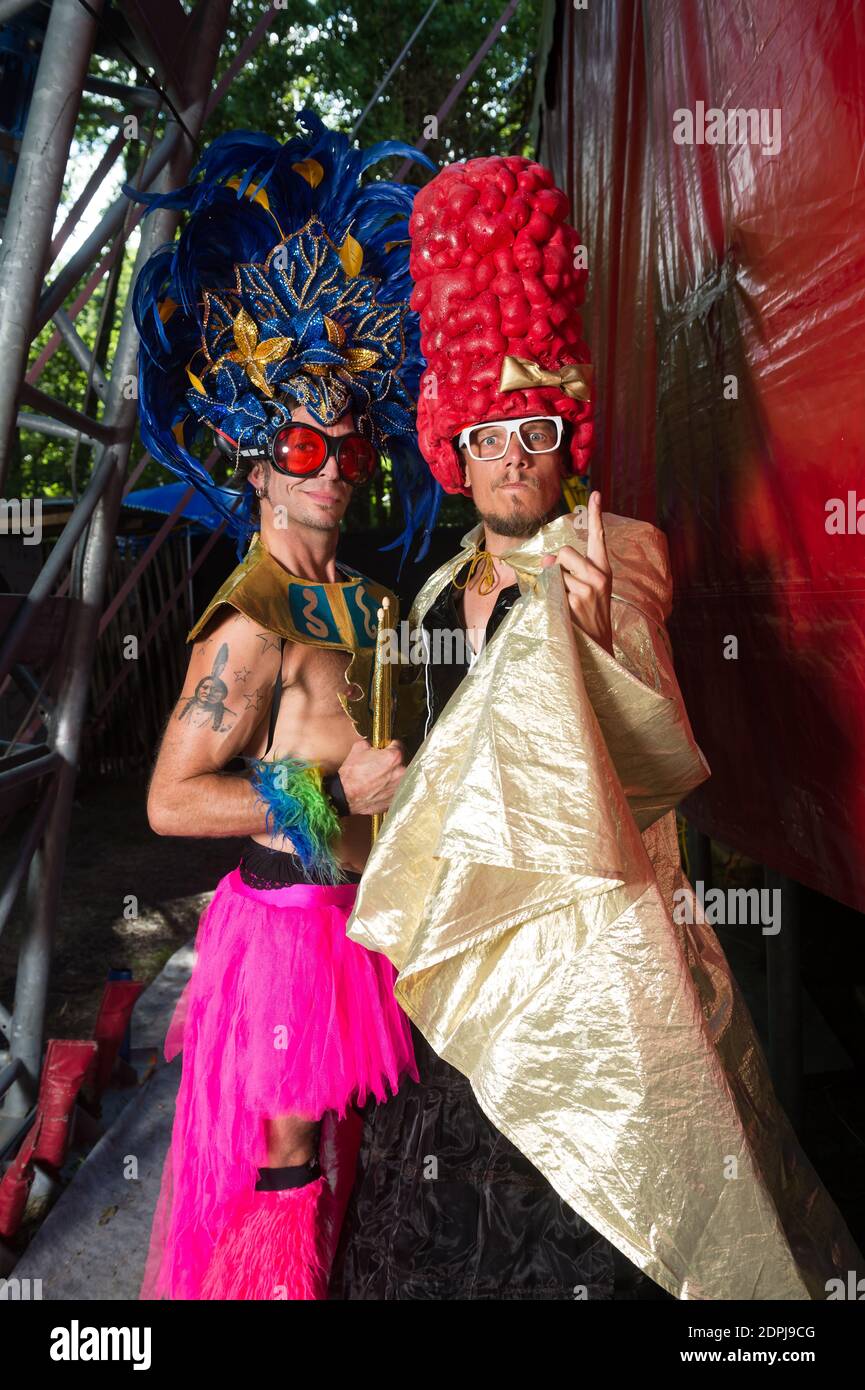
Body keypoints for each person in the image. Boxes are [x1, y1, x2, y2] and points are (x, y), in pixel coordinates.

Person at [332, 152, 864, 1300]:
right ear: (453, 452)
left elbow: (640, 719)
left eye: (531, 426)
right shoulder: (433, 597)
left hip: (606, 971)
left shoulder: (612, 554)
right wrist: (377, 788)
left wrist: (583, 633)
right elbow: (441, 771)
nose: (511, 454)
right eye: (486, 434)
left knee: (626, 1220)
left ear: (565, 435)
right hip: (482, 985)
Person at [127, 111, 439, 1300]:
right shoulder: (251, 623)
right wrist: (322, 789)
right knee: (286, 1161)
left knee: (346, 1161)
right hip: (286, 935)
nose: (330, 469)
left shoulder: (364, 597)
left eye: (349, 448)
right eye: (302, 445)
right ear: (257, 461)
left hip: (358, 919)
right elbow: (168, 801)